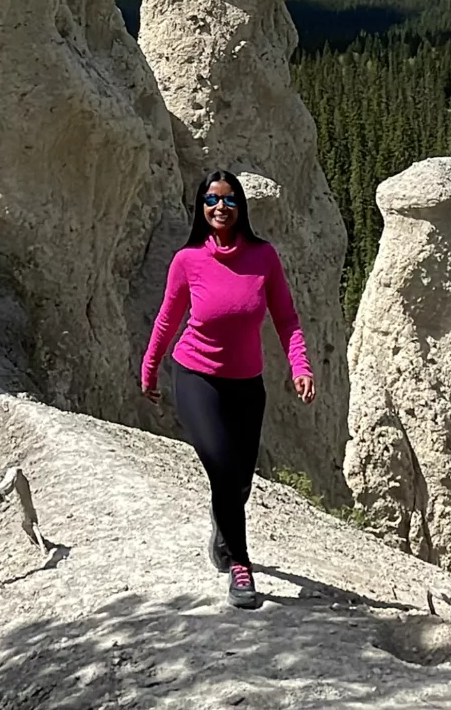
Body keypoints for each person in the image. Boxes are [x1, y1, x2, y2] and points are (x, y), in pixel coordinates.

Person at [140, 170, 316, 609]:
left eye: (230, 200)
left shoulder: (263, 257)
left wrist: (301, 366)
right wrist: (150, 366)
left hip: (247, 385)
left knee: (238, 482)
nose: (221, 207)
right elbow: (167, 318)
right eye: (212, 200)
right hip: (196, 376)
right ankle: (241, 566)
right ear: (201, 207)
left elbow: (287, 318)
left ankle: (223, 525)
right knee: (220, 468)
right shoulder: (188, 261)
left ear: (241, 207)